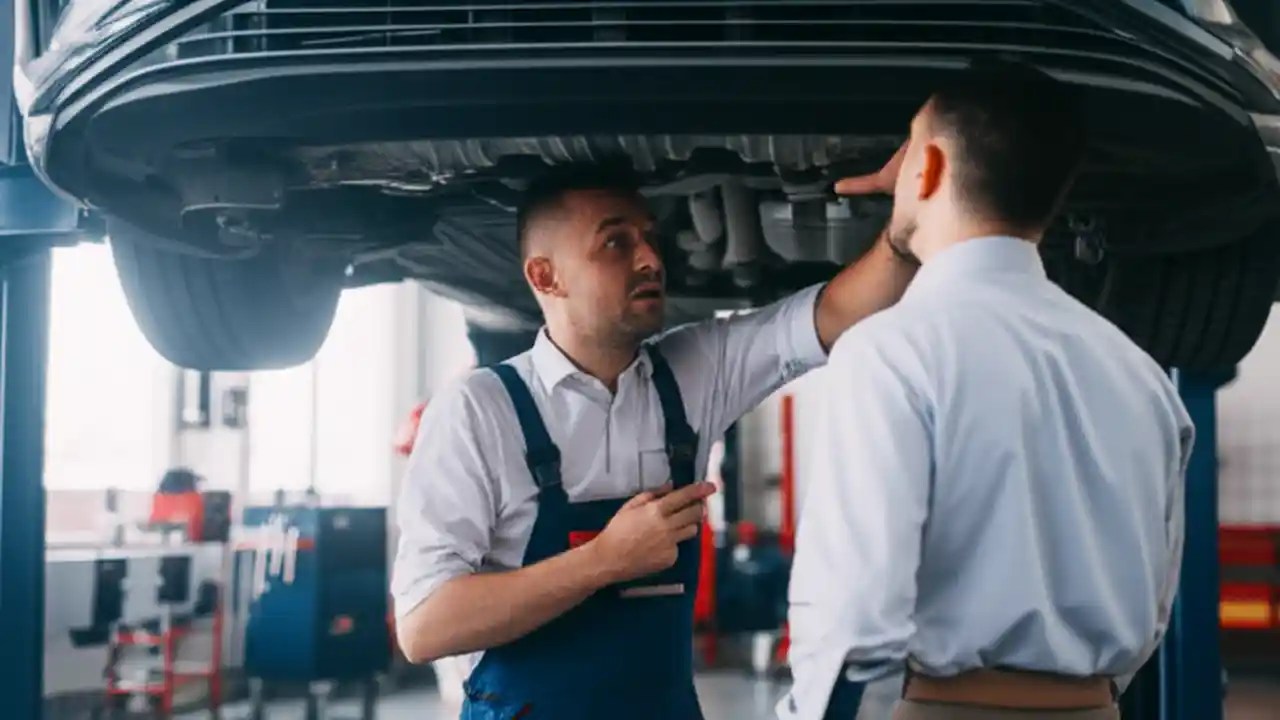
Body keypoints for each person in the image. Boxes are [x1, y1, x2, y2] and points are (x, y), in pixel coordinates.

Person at [391, 160, 916, 719]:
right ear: (545, 277)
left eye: (649, 238)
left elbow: (836, 311)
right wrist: (604, 560)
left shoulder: (693, 375)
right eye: (615, 243)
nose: (650, 260)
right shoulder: (479, 410)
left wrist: (911, 219)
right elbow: (423, 626)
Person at [779, 59, 1193, 720]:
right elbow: (1159, 597)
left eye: (908, 148)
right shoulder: (1138, 374)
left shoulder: (890, 353)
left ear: (928, 168)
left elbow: (853, 614)